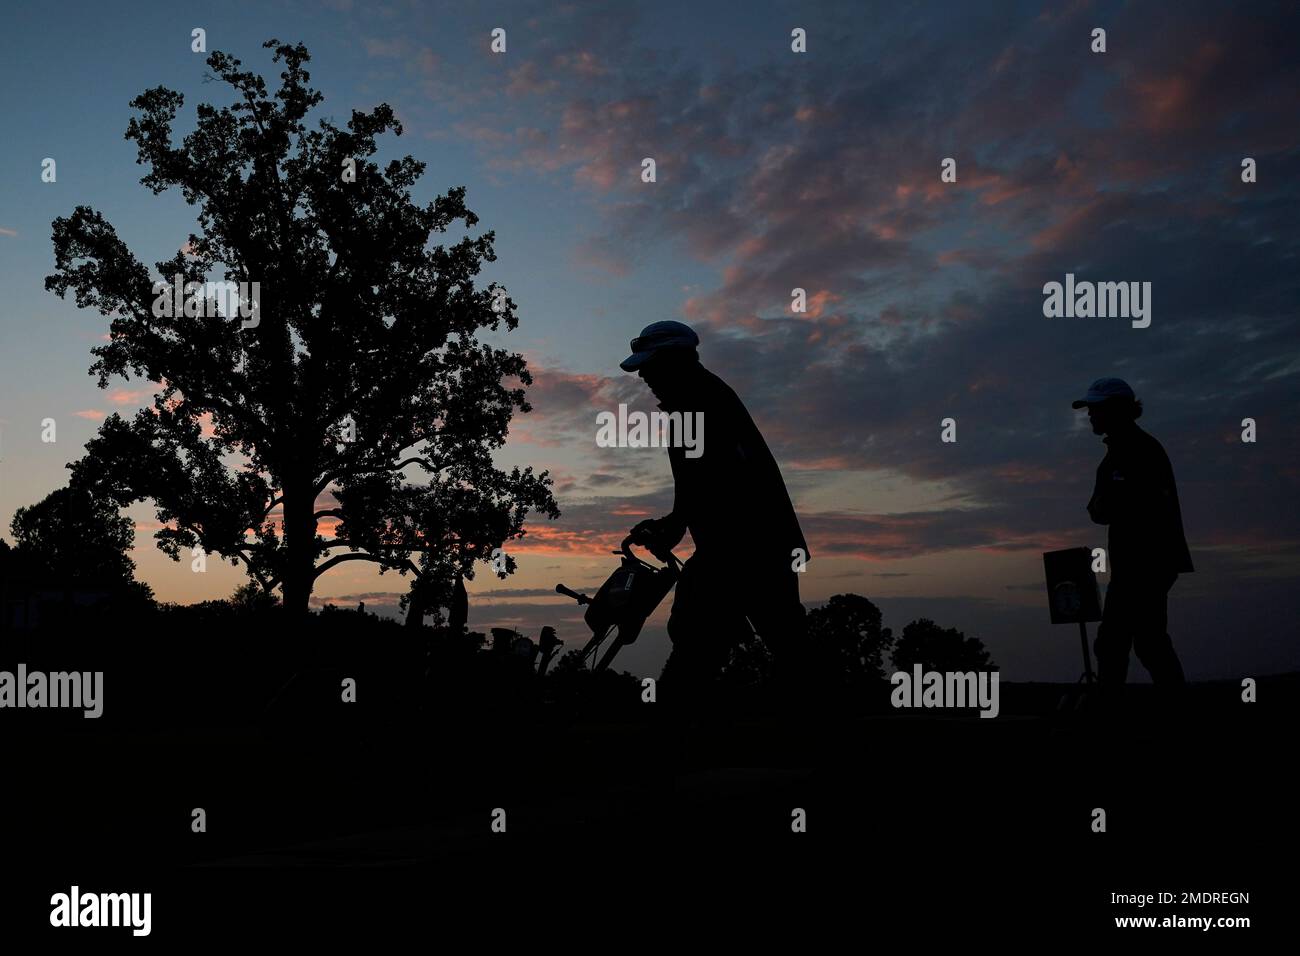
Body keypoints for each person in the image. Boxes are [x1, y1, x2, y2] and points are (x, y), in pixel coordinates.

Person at [619, 321, 809, 713]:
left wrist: (674, 526)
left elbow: (718, 483)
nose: (645, 377)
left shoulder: (698, 403)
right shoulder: (697, 400)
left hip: (748, 548)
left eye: (651, 366)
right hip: (751, 547)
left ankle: (671, 742)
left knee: (699, 640)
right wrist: (673, 524)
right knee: (774, 644)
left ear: (678, 360)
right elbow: (700, 486)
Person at [1074, 378, 1192, 700]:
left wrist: (1108, 502)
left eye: (1095, 409)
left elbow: (1110, 506)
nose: (1090, 416)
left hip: (1144, 564)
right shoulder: (1127, 450)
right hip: (1143, 564)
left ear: (1115, 410)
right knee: (1146, 642)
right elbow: (1102, 506)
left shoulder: (1136, 450)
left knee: (1117, 642)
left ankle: (1108, 714)